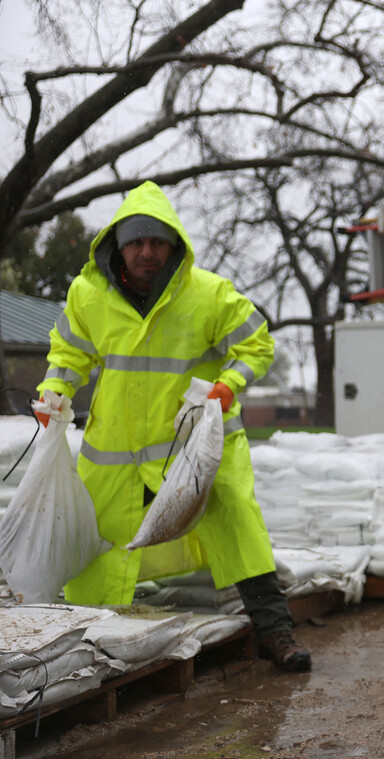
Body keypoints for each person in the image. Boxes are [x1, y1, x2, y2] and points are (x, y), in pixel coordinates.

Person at [36, 180, 310, 673]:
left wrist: (228, 385)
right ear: (119, 246)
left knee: (238, 525)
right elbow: (69, 353)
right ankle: (91, 633)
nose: (146, 252)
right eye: (136, 242)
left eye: (157, 242)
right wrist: (55, 391)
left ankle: (276, 633)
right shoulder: (87, 296)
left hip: (197, 447)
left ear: (174, 245)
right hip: (117, 450)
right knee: (97, 540)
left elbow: (257, 345)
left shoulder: (206, 294)